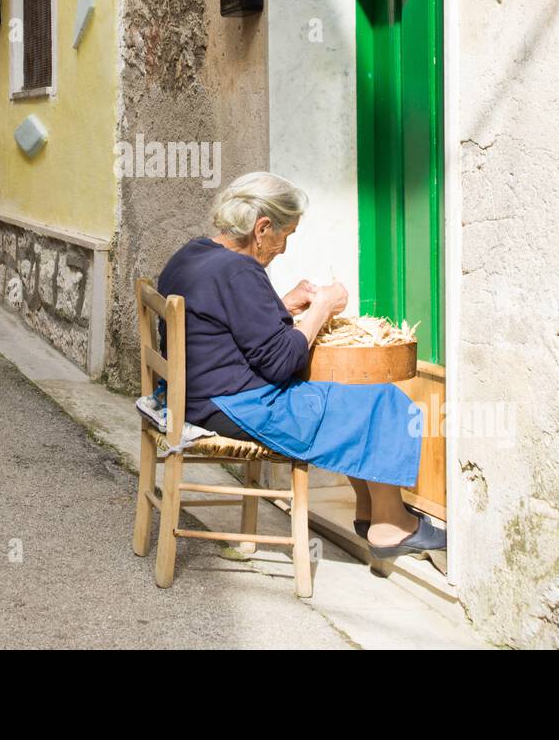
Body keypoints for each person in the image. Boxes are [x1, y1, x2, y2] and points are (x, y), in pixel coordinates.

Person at [155, 171, 446, 558]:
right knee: (383, 401)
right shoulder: (240, 271)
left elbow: (230, 322)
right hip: (233, 406)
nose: (284, 247)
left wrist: (285, 305)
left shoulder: (195, 252)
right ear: (262, 228)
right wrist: (321, 310)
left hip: (191, 395)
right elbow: (280, 363)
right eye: (285, 235)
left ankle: (368, 511)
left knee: (354, 401)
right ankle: (390, 527)